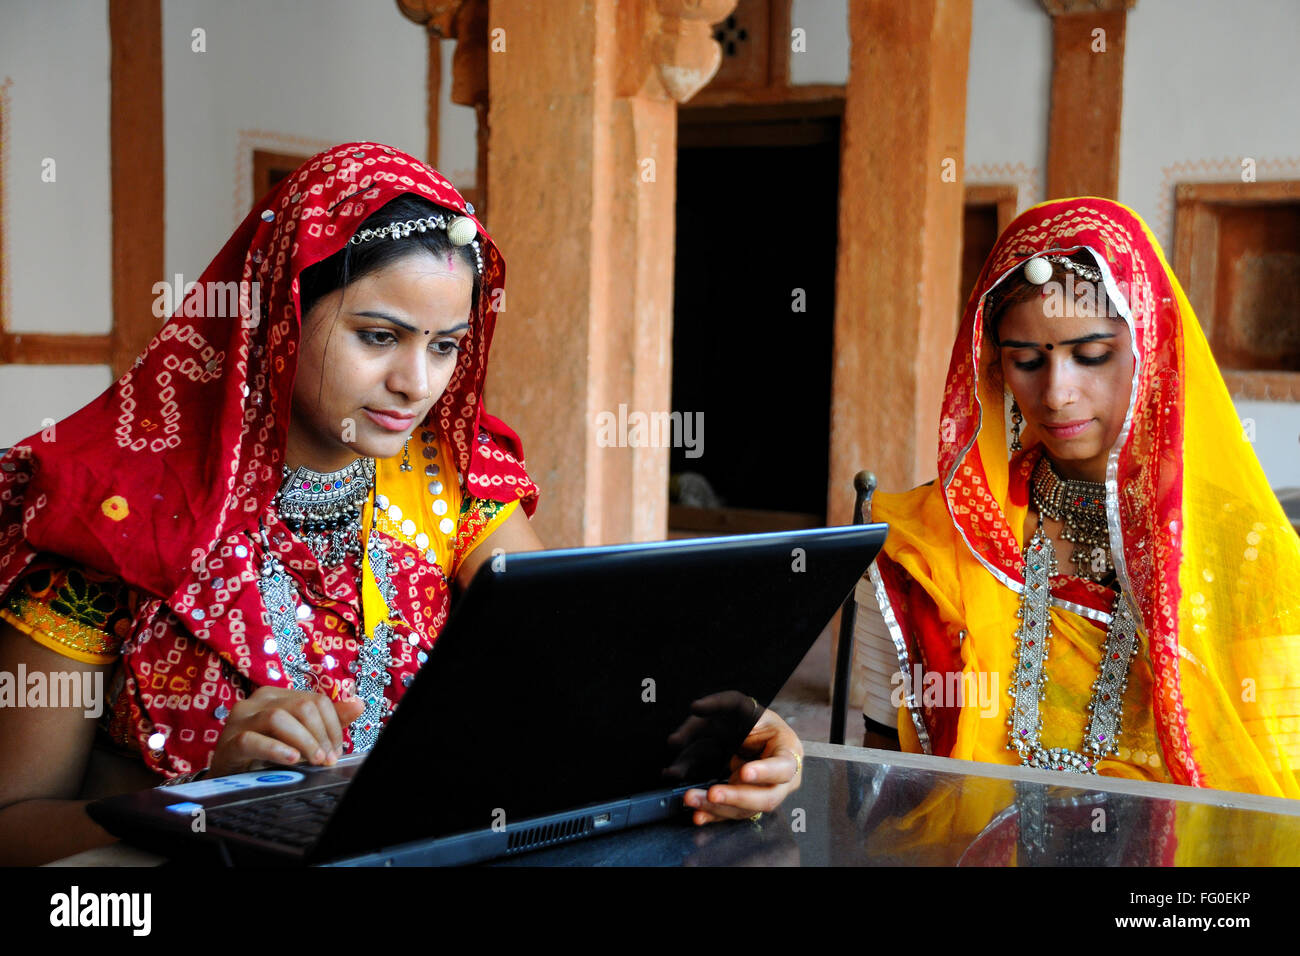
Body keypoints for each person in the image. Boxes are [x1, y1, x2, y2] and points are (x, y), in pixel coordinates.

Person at [0, 142, 802, 865]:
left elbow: (593, 682)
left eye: (445, 345)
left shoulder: (453, 483)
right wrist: (205, 801)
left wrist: (729, 736)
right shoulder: (107, 510)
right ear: (280, 314)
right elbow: (14, 823)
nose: (416, 384)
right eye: (378, 336)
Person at [864, 197, 1300, 800]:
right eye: (1025, 361)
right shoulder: (931, 541)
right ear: (995, 368)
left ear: (1151, 353)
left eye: (1091, 355)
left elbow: (1276, 787)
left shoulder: (1247, 555)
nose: (1056, 393)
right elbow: (882, 778)